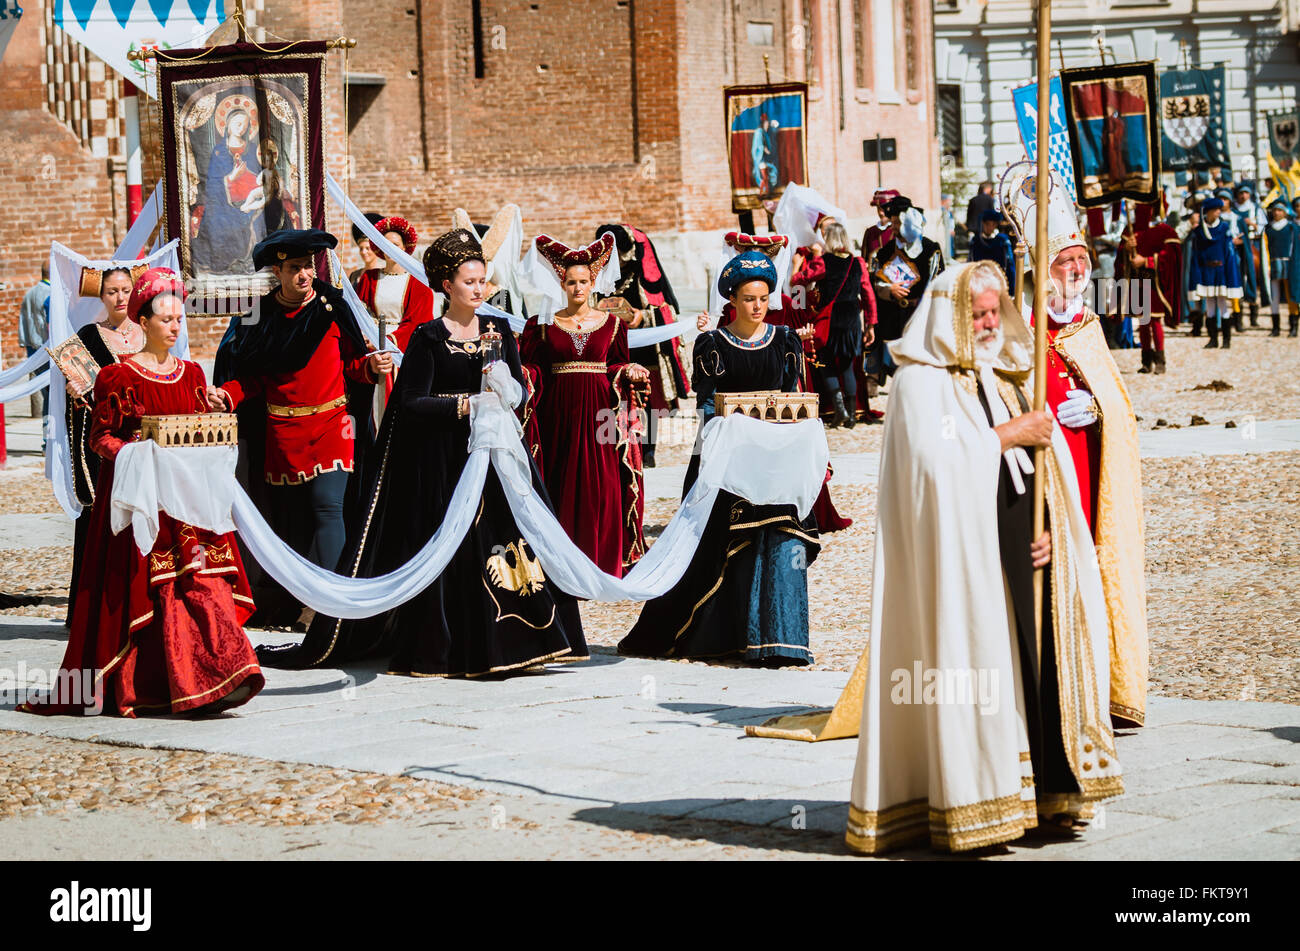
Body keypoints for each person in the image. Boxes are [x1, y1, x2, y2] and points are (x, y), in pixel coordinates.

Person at [838, 261, 1122, 853]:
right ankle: (974, 802)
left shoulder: (1005, 374)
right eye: (979, 315)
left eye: (996, 313)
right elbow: (937, 471)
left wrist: (1047, 531)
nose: (991, 324)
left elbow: (1043, 469)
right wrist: (1010, 434)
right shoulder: (920, 384)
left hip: (1021, 549)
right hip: (959, 560)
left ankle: (1048, 794)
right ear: (951, 317)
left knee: (1036, 668)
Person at [259, 229, 587, 677]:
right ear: (447, 286)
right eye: (469, 282)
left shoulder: (499, 332)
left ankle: (529, 640)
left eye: (483, 281)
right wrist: (465, 403)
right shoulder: (430, 337)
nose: (479, 290)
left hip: (497, 458)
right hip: (447, 463)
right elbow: (411, 403)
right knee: (460, 550)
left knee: (516, 540)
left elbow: (519, 393)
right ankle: (462, 648)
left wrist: (509, 389)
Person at [22, 268, 264, 717]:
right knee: (149, 592)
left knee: (199, 584)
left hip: (186, 505)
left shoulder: (191, 373)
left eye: (179, 319)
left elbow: (194, 434)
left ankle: (220, 675)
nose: (175, 326)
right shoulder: (117, 377)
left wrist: (212, 414)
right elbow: (100, 438)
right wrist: (136, 454)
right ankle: (149, 683)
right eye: (166, 319)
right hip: (138, 503)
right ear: (145, 322)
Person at [619, 250, 819, 666]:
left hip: (774, 460)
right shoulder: (713, 343)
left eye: (764, 297)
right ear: (733, 300)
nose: (758, 306)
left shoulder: (784, 342)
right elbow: (707, 405)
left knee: (781, 538)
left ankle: (779, 639)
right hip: (726, 460)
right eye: (749, 298)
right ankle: (727, 635)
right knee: (723, 544)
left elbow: (792, 397)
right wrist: (727, 434)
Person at [209, 229, 392, 624]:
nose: (305, 275)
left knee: (329, 508)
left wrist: (370, 368)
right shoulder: (258, 316)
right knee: (292, 522)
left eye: (309, 266)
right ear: (278, 271)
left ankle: (337, 606)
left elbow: (351, 366)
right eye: (295, 268)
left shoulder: (334, 307)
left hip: (333, 426)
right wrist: (229, 395)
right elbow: (252, 378)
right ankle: (297, 601)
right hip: (281, 432)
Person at [1022, 170, 1149, 729]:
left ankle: (1094, 680)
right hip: (1036, 469)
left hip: (1085, 467)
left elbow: (1121, 411)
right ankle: (1043, 683)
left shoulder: (1089, 327)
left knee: (1087, 573)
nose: (1076, 273)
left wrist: (1099, 412)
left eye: (1080, 262)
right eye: (1063, 263)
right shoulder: (1015, 329)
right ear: (1039, 270)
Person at [519, 234, 651, 577]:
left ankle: (600, 562)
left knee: (603, 484)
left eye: (584, 281)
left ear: (594, 282)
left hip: (601, 413)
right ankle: (562, 566)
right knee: (560, 482)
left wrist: (630, 370)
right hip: (557, 414)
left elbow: (616, 364)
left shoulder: (613, 325)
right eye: (571, 282)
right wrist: (520, 372)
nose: (578, 288)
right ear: (561, 283)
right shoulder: (541, 325)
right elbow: (535, 368)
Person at [63, 265, 145, 628]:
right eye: (112, 291)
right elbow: (80, 393)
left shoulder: (149, 332)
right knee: (100, 517)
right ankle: (91, 613)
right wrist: (76, 394)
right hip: (106, 443)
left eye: (125, 289)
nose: (120, 297)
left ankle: (139, 604)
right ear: (102, 297)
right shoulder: (88, 337)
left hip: (146, 440)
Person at [594, 223, 691, 469]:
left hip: (646, 349)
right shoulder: (598, 278)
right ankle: (622, 445)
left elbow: (665, 310)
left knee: (648, 401)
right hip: (613, 349)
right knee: (618, 399)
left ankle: (648, 450)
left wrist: (641, 317)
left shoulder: (642, 276)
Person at [793, 221, 876, 428]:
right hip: (851, 319)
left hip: (830, 320)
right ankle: (851, 416)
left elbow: (799, 280)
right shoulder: (859, 263)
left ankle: (840, 411)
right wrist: (871, 324)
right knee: (847, 366)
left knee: (827, 364)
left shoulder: (823, 262)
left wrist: (797, 264)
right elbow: (868, 295)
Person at [870, 195, 945, 360]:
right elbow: (873, 284)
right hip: (892, 320)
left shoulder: (930, 249)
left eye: (898, 223)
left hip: (920, 317)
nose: (894, 227)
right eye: (893, 222)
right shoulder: (884, 253)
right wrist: (889, 289)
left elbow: (939, 284)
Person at [353, 216, 435, 351]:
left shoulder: (418, 283)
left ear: (404, 248)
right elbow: (359, 313)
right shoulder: (369, 278)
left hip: (403, 347)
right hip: (372, 344)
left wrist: (387, 341)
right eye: (385, 244)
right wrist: (367, 335)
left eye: (395, 245)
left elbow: (416, 322)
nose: (389, 249)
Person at [1187, 196, 1243, 348]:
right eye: (1216, 210)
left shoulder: (1224, 228)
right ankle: (1213, 339)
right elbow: (1196, 254)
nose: (1219, 212)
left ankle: (1226, 340)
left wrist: (1230, 274)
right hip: (1206, 271)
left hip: (1220, 270)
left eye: (1219, 209)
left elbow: (1229, 252)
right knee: (1210, 305)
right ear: (1208, 212)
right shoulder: (1199, 231)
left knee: (1222, 305)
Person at [17, 263, 51, 422]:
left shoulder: (29, 293)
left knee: (46, 394)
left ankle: (46, 434)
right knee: (51, 396)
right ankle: (48, 436)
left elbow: (23, 321)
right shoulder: (49, 294)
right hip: (46, 351)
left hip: (33, 349)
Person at [1264, 199, 1300, 337]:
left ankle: (1293, 326)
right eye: (1275, 210)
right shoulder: (1268, 229)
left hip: (1289, 264)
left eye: (1280, 210)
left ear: (1285, 212)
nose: (1277, 213)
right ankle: (1275, 327)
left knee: (1291, 295)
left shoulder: (1291, 228)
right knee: (1274, 296)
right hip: (1273, 264)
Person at [969, 207, 1016, 288]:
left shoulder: (1002, 240)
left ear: (996, 225)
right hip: (980, 283)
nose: (990, 227)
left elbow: (1009, 264)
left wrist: (1011, 287)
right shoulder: (976, 241)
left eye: (993, 224)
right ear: (982, 223)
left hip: (998, 283)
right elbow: (970, 263)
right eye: (987, 224)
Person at [347, 212, 385, 286]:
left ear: (376, 250)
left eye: (367, 248)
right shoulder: (354, 275)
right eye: (361, 248)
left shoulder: (383, 274)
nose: (364, 252)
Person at [860, 188, 899, 261]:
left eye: (884, 209)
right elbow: (864, 260)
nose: (880, 213)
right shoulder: (870, 232)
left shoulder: (899, 231)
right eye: (878, 208)